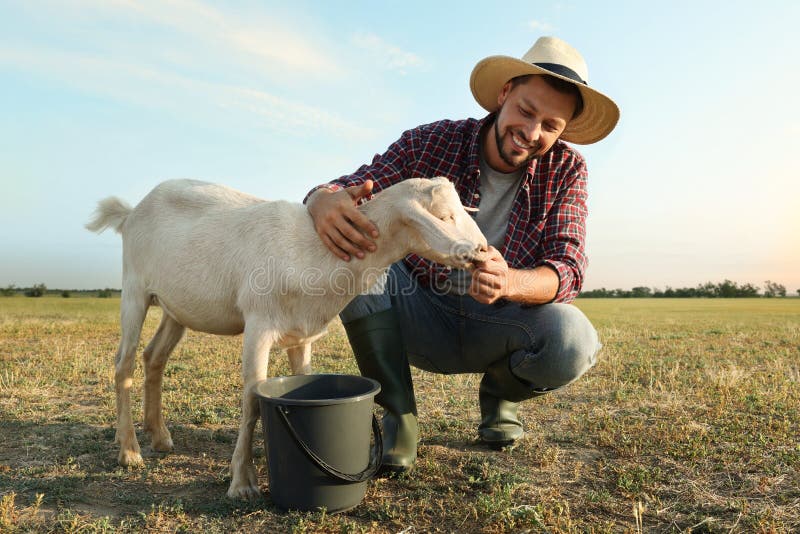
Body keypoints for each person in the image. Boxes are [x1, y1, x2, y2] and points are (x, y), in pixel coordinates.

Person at [304, 36, 619, 474]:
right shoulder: (432, 142)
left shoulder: (567, 170)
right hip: (418, 312)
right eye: (526, 111)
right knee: (356, 257)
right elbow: (358, 187)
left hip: (499, 321)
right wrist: (321, 199)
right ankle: (400, 417)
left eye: (550, 125)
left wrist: (509, 280)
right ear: (504, 93)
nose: (531, 133)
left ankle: (500, 393)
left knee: (573, 339)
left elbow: (567, 268)